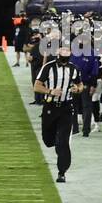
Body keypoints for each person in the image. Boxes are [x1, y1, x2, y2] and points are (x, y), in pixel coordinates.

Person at [34, 46, 82, 182]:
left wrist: (77, 89)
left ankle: (62, 171)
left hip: (66, 108)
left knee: (63, 141)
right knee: (48, 139)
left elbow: (80, 85)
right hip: (50, 107)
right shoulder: (48, 67)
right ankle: (56, 142)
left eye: (68, 51)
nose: (65, 53)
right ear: (57, 53)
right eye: (63, 50)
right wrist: (50, 91)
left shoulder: (74, 68)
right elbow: (36, 86)